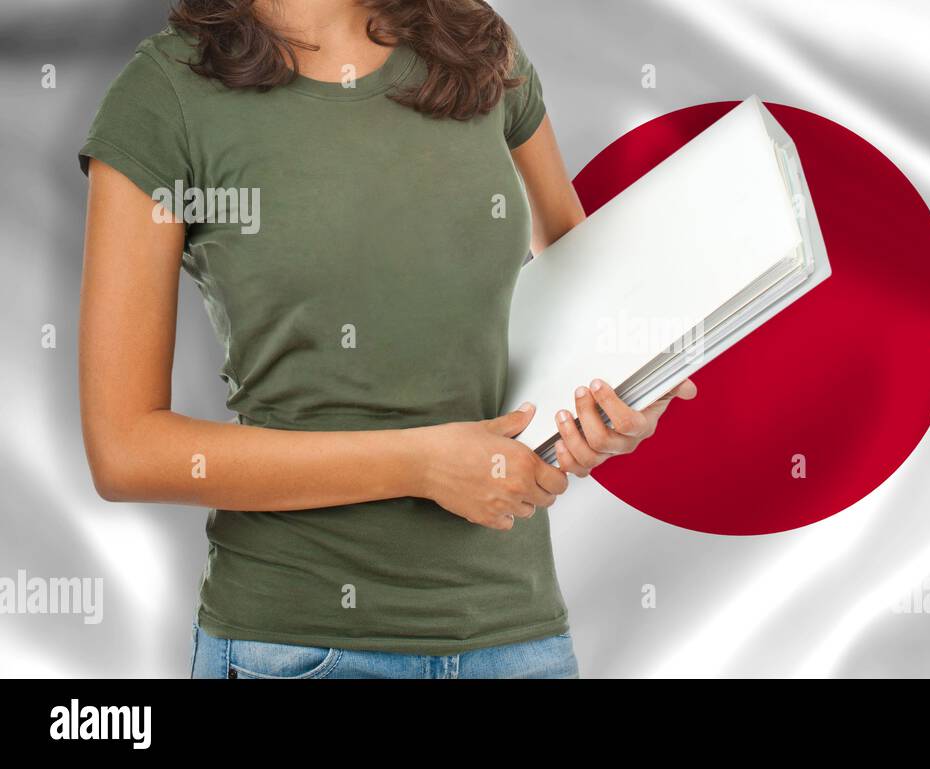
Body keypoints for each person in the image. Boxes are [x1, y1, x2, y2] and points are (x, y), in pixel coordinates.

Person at [77, 0, 696, 679]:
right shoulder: (165, 96)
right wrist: (416, 465)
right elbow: (125, 449)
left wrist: (617, 397)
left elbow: (578, 281)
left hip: (520, 642)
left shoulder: (477, 41)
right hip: (297, 649)